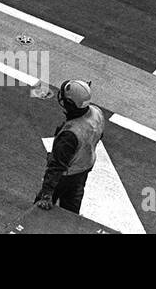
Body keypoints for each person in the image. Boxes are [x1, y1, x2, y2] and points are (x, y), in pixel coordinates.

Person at [35, 78, 106, 214]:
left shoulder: (70, 134)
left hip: (66, 175)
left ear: (69, 104)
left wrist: (47, 194)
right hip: (83, 169)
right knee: (71, 210)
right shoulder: (97, 113)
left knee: (39, 212)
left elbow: (57, 166)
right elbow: (98, 136)